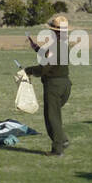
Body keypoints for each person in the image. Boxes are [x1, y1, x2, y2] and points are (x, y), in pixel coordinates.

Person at [22, 14, 72, 156]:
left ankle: (58, 149)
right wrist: (36, 48)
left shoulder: (55, 46)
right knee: (54, 115)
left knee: (52, 118)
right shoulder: (62, 45)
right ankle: (63, 140)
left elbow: (45, 67)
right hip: (65, 84)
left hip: (54, 86)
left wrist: (29, 70)